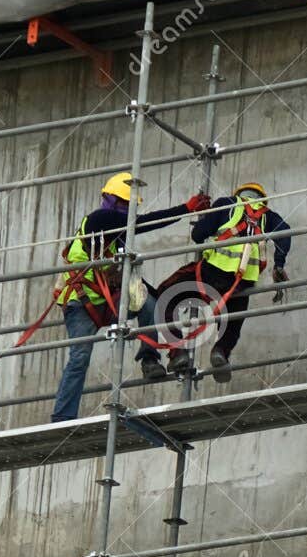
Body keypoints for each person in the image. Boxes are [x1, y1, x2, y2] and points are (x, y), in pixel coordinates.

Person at [50, 172, 209, 422]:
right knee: (79, 358)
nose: (126, 210)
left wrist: (153, 297)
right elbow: (143, 222)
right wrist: (185, 208)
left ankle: (149, 358)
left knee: (150, 304)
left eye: (129, 206)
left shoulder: (120, 238)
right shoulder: (98, 219)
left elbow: (131, 279)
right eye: (123, 204)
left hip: (107, 299)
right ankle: (62, 417)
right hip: (81, 303)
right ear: (110, 201)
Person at [173, 182, 291, 383]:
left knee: (172, 293)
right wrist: (278, 265)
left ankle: (178, 352)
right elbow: (285, 233)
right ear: (260, 199)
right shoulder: (267, 216)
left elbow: (197, 235)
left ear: (239, 194)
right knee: (234, 320)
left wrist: (206, 224)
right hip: (242, 280)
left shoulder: (226, 203)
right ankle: (220, 351)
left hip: (213, 272)